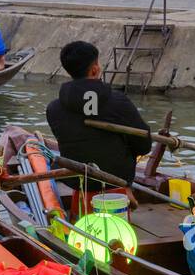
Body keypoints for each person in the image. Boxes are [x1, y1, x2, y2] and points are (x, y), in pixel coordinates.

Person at [45, 41, 153, 200]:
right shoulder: (119, 102)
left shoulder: (53, 109)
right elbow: (144, 146)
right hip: (115, 179)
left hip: (75, 178)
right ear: (95, 69)